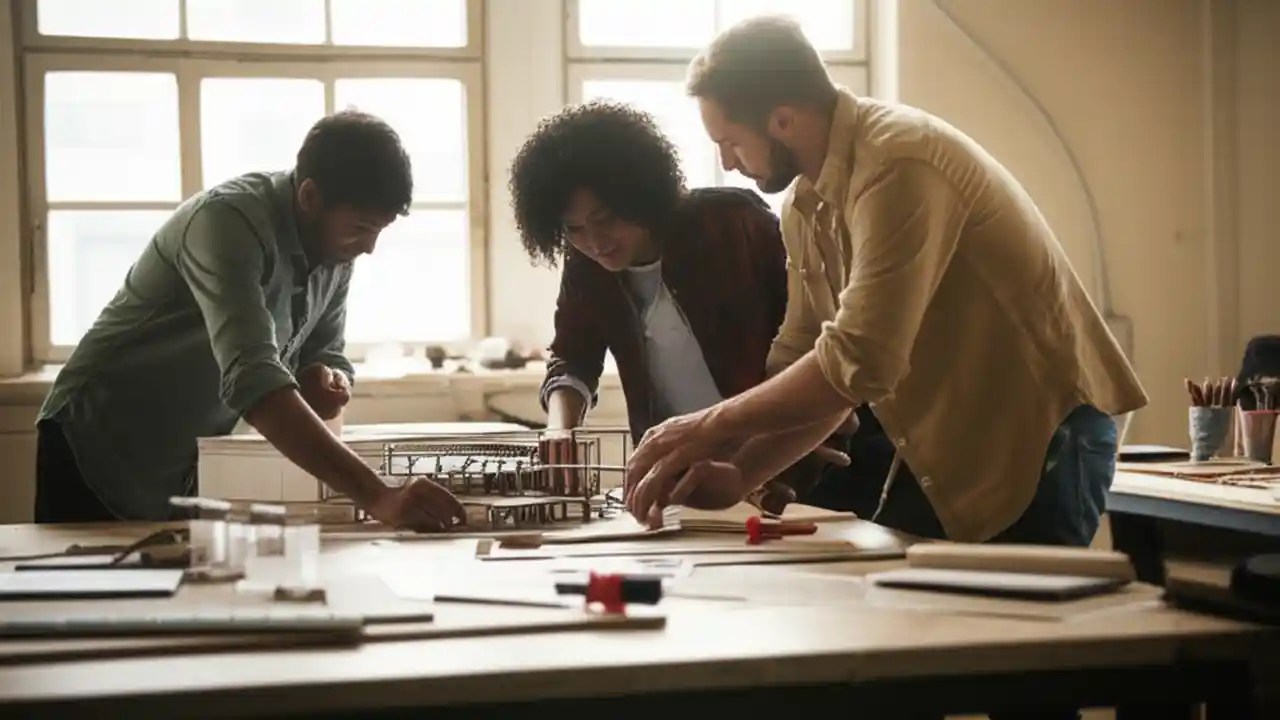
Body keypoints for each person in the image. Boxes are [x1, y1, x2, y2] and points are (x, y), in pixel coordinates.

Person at [624, 14, 1149, 553]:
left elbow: (860, 359)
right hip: (952, 444)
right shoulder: (805, 203)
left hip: (1042, 437)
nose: (727, 164)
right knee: (900, 605)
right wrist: (741, 474)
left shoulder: (898, 162)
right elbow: (816, 359)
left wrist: (707, 426)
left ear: (782, 120)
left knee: (1016, 629)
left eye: (730, 142)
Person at [35, 110, 465, 532]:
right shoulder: (225, 222)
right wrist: (380, 495)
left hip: (176, 468)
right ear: (310, 197)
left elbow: (325, 351)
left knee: (170, 594)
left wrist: (329, 380)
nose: (369, 247)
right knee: (84, 593)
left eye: (379, 231)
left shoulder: (337, 250)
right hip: (91, 447)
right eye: (360, 228)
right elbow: (253, 378)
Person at [508, 100, 849, 510]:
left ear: (638, 194)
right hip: (685, 481)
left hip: (789, 465)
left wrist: (802, 440)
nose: (595, 241)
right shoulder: (587, 266)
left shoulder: (733, 222)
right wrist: (559, 431)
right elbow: (572, 356)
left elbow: (816, 342)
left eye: (606, 218)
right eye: (574, 229)